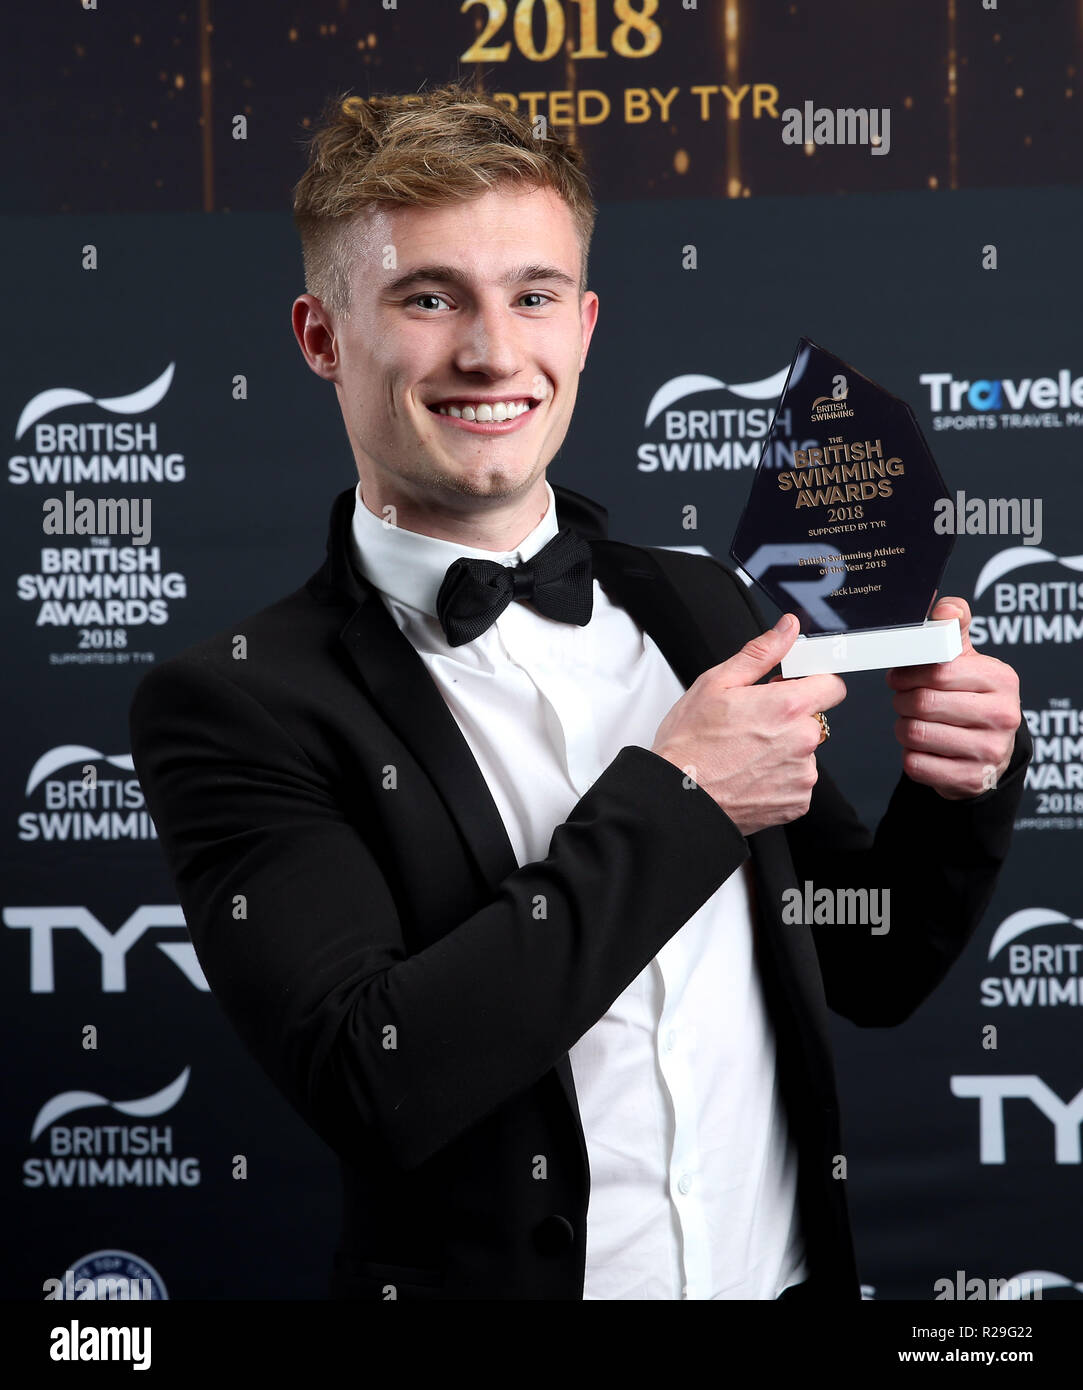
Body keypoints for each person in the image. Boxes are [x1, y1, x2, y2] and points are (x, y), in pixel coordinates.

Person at [128, 82, 1030, 1301]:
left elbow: (868, 965)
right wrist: (685, 797)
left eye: (533, 295)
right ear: (323, 336)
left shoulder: (706, 606)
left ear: (587, 325)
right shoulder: (236, 703)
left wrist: (955, 783)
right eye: (430, 296)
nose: (493, 352)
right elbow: (375, 1075)